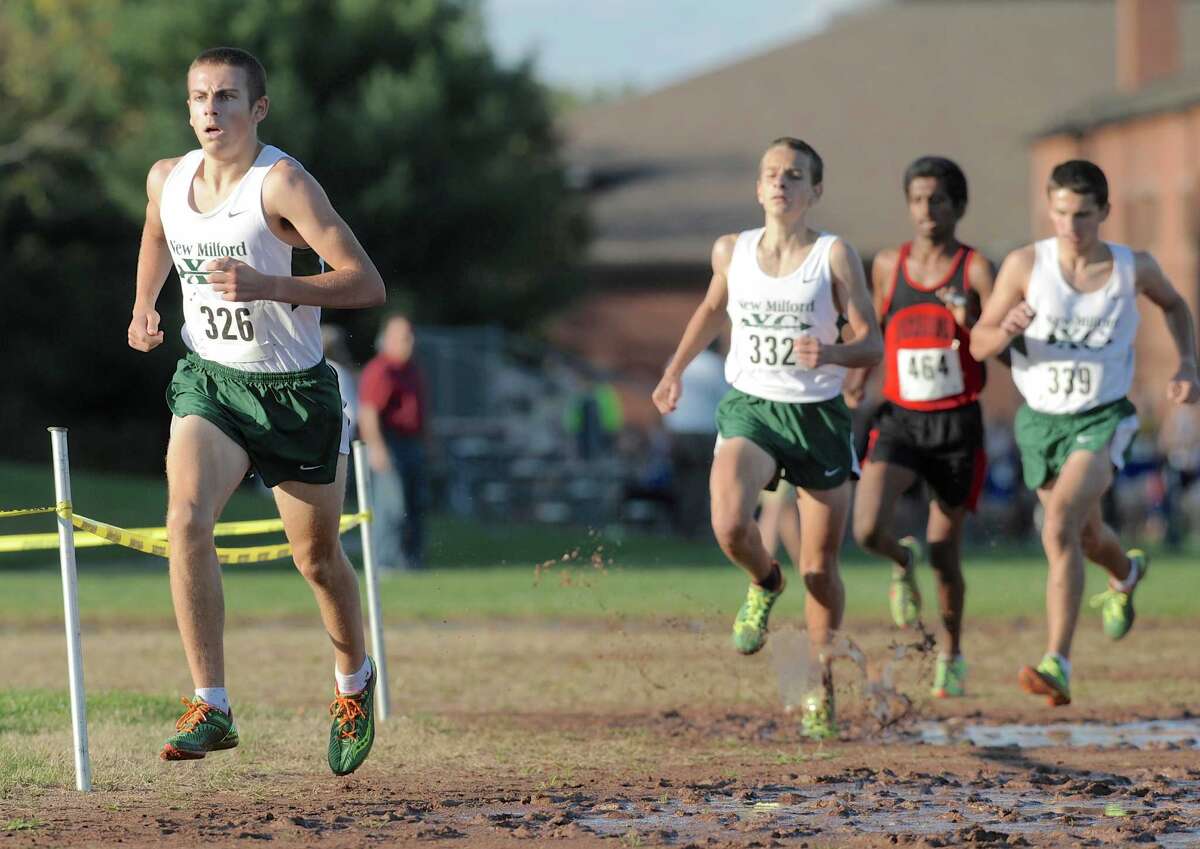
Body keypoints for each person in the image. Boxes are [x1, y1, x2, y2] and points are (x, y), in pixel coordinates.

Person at [126, 47, 385, 774]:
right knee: (184, 519)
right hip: (210, 382)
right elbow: (156, 231)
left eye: (226, 98)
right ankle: (211, 702)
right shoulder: (166, 180)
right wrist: (145, 303)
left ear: (257, 108)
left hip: (294, 393)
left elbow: (367, 284)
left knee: (317, 558)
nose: (210, 111)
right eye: (199, 98)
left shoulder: (283, 184)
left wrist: (271, 284)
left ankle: (354, 682)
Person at [652, 137, 882, 739]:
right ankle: (762, 580)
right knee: (730, 523)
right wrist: (674, 370)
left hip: (817, 417)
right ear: (759, 189)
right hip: (752, 407)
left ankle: (821, 679)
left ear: (815, 192)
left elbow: (872, 341)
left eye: (795, 175)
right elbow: (709, 309)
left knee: (820, 567)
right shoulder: (732, 250)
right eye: (772, 174)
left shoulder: (834, 256)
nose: (781, 183)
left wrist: (830, 350)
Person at [970, 159, 1200, 706]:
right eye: (1061, 214)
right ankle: (1126, 572)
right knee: (1088, 537)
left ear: (1104, 213)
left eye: (1083, 215)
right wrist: (1004, 329)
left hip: (1102, 417)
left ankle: (1058, 662)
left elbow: (1175, 304)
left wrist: (1187, 363)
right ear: (1050, 210)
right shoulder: (1027, 264)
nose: (1071, 227)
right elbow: (978, 343)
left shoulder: (1132, 267)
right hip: (1040, 421)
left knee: (1057, 527)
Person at [843, 157, 994, 699]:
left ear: (958, 206)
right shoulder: (890, 264)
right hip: (901, 417)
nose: (926, 211)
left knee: (945, 552)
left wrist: (972, 316)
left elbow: (995, 342)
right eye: (917, 200)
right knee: (864, 529)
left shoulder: (975, 269)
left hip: (956, 423)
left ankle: (951, 652)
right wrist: (858, 378)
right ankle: (899, 560)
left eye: (938, 200)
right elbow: (875, 329)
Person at [358, 314, 429, 571]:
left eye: (411, 336)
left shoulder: (412, 369)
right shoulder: (381, 370)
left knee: (415, 505)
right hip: (390, 444)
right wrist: (377, 449)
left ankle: (411, 562)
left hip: (412, 444)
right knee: (391, 507)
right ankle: (385, 563)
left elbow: (421, 411)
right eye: (403, 337)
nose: (410, 342)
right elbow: (368, 413)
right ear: (387, 340)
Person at [662, 342, 729, 538]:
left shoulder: (675, 360)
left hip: (677, 431)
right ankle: (698, 527)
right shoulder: (715, 365)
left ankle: (681, 526)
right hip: (704, 432)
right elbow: (726, 398)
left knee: (680, 480)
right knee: (703, 482)